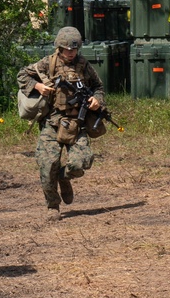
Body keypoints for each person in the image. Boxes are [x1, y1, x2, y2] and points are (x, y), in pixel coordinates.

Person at [17, 26, 104, 222]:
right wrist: (38, 86)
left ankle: (65, 177)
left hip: (77, 123)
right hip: (52, 122)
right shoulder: (48, 63)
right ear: (59, 47)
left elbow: (98, 87)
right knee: (48, 165)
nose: (71, 53)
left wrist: (97, 100)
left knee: (82, 161)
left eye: (74, 49)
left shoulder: (83, 65)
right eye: (67, 49)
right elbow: (22, 75)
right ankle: (53, 206)